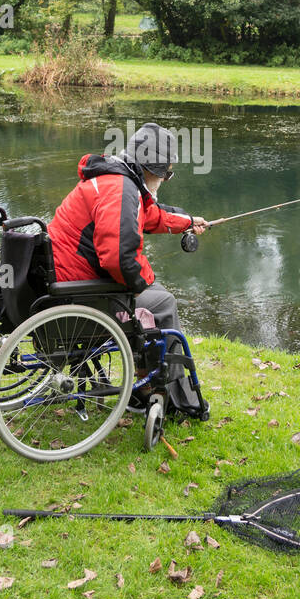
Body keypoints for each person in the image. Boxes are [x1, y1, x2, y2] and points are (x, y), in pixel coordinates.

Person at [46, 122, 209, 418]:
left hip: (64, 275)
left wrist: (186, 221)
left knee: (152, 293)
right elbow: (120, 260)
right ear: (153, 169)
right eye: (166, 173)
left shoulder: (112, 179)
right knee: (164, 302)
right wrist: (146, 279)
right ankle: (172, 398)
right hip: (79, 291)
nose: (166, 179)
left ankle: (146, 385)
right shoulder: (122, 190)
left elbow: (145, 216)